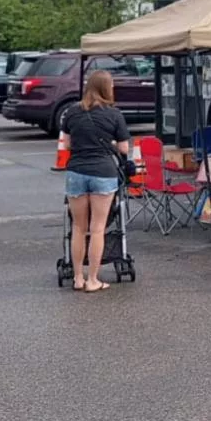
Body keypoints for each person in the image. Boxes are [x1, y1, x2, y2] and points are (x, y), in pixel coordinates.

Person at [59, 70, 130, 293]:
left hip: (76, 171)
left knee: (78, 228)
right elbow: (124, 148)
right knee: (97, 228)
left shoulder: (70, 112)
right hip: (103, 172)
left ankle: (78, 278)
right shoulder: (114, 114)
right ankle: (93, 280)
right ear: (106, 88)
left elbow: (67, 145)